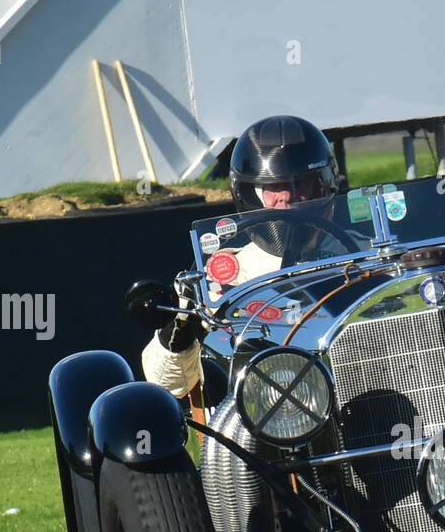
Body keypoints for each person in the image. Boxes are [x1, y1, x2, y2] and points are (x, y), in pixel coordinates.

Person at [142, 114, 340, 399]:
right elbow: (167, 386)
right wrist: (182, 325)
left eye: (301, 185)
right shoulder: (221, 276)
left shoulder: (364, 255)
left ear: (323, 186)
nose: (286, 198)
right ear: (252, 193)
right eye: (273, 187)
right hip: (261, 413)